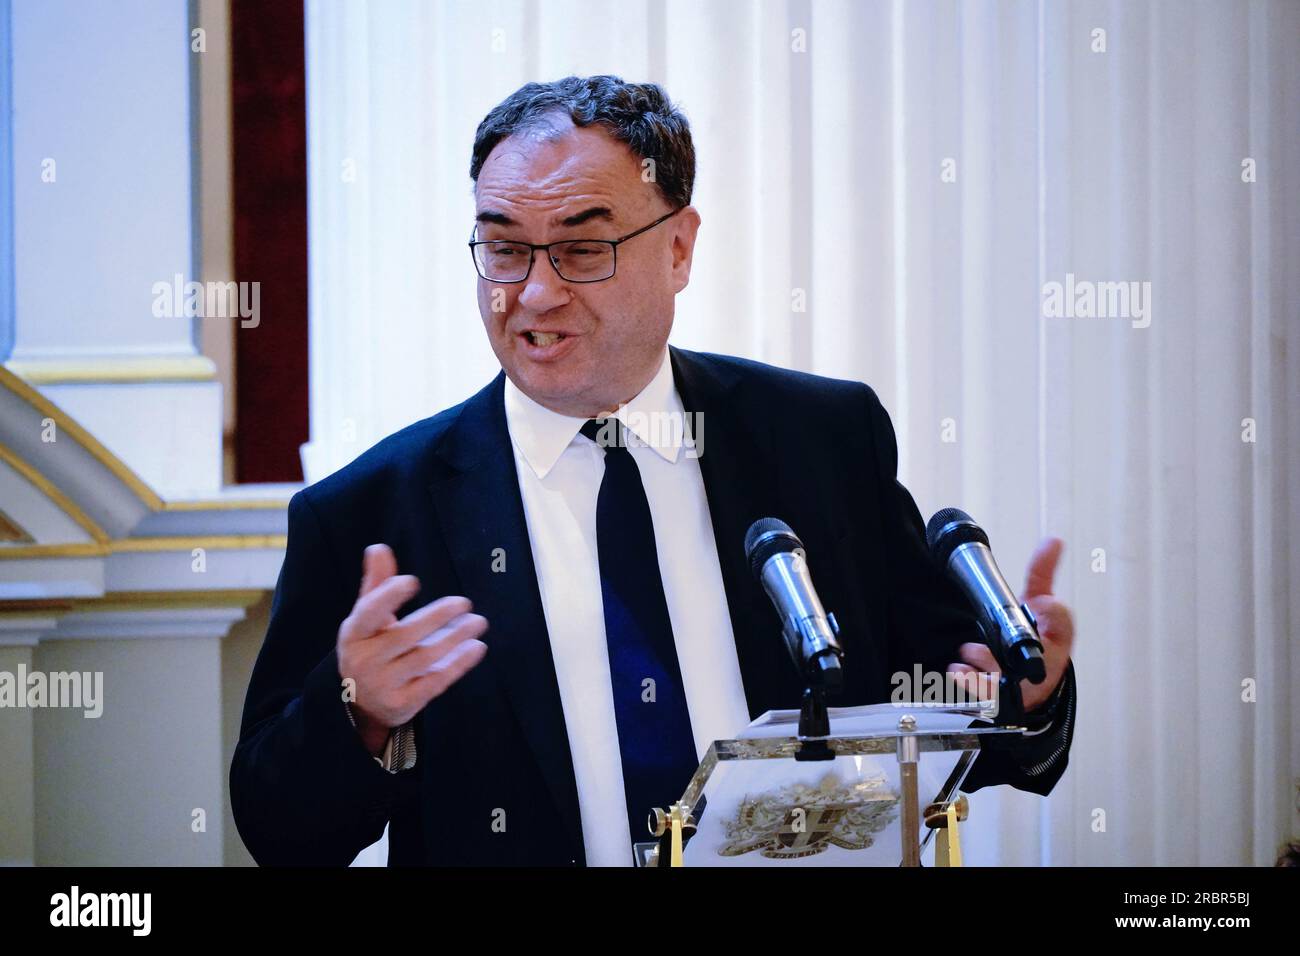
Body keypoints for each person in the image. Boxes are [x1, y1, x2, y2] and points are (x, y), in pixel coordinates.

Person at [230, 75, 1077, 867]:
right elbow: (278, 830)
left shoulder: (822, 441)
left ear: (678, 248)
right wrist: (360, 714)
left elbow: (946, 705)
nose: (534, 294)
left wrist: (1022, 695)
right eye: (504, 249)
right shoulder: (373, 512)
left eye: (582, 249)